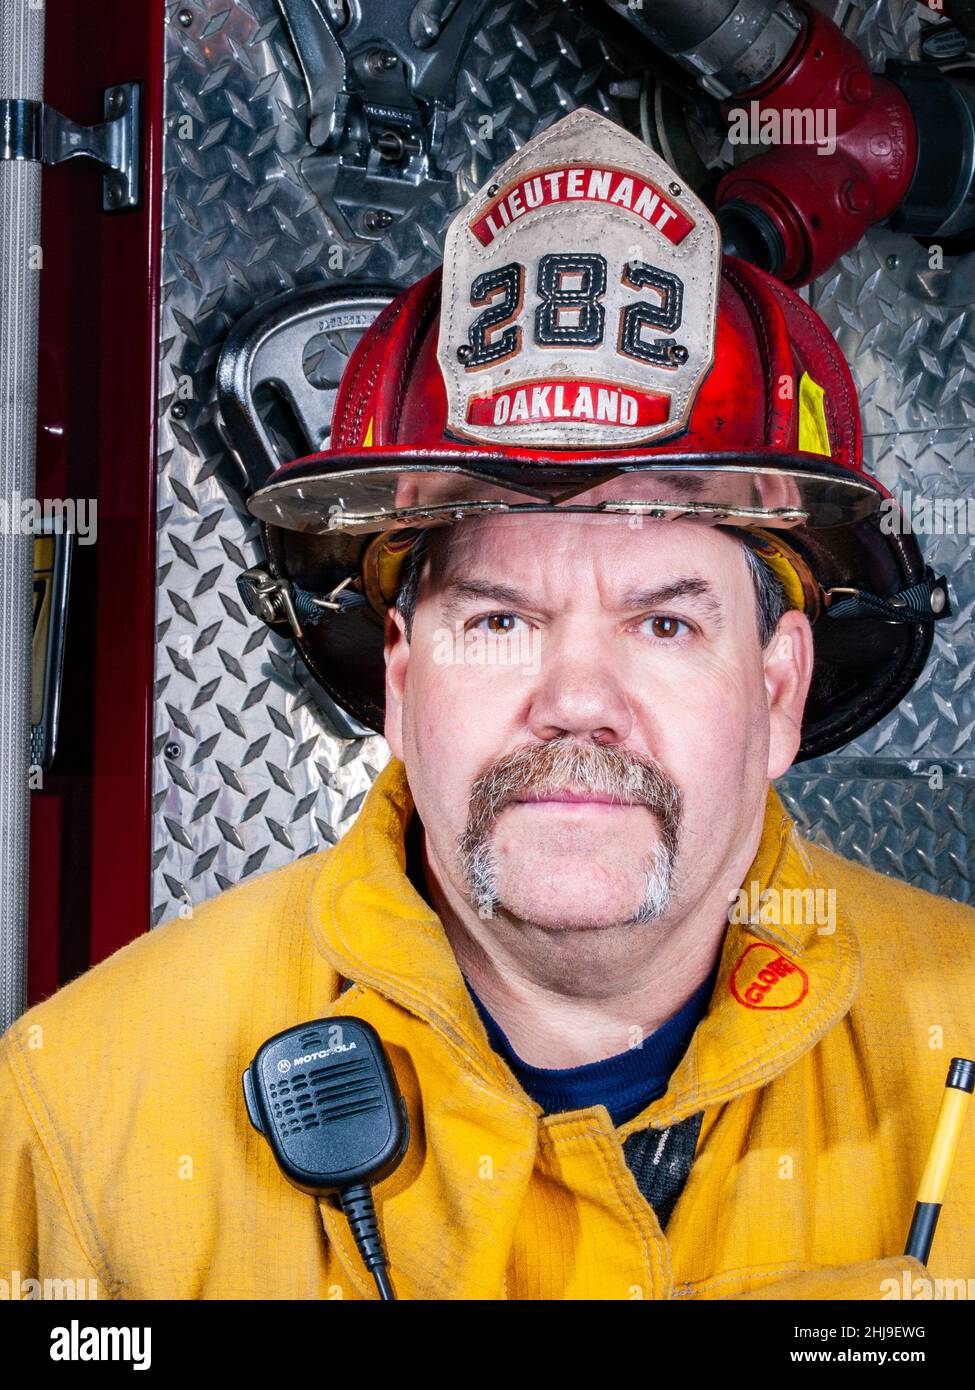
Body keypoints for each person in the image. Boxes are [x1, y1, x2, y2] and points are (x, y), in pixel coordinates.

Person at [1, 108, 970, 1302]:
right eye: (500, 619)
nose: (576, 701)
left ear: (776, 690)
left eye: (665, 623)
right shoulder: (79, 1111)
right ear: (403, 683)